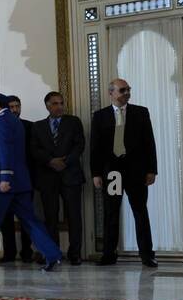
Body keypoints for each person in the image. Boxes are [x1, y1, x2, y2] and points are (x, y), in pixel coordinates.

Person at [0, 89, 62, 272]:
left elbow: (5, 150)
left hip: (2, 183)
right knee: (30, 220)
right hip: (21, 181)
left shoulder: (2, 121)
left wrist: (4, 176)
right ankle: (52, 254)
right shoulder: (13, 120)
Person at [90, 77, 158, 267]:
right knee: (111, 213)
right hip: (113, 173)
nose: (126, 93)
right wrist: (96, 173)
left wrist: (152, 170)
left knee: (140, 213)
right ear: (111, 93)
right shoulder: (100, 116)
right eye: (122, 90)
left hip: (136, 172)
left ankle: (147, 254)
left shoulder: (141, 112)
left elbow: (149, 143)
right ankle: (109, 254)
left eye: (128, 89)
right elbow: (95, 147)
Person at [30, 91, 86, 265]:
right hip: (48, 178)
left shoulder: (74, 122)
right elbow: (34, 149)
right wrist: (50, 161)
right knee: (50, 217)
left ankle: (75, 253)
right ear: (47, 105)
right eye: (55, 103)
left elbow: (79, 145)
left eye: (61, 103)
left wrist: (65, 162)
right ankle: (52, 252)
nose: (60, 106)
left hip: (70, 176)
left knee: (74, 216)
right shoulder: (37, 126)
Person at [0, 95, 41, 265]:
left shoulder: (30, 126)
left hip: (24, 178)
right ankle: (9, 253)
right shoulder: (0, 125)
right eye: (12, 107)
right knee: (5, 218)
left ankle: (27, 253)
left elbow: (33, 154)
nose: (15, 110)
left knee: (26, 218)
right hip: (5, 179)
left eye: (18, 106)